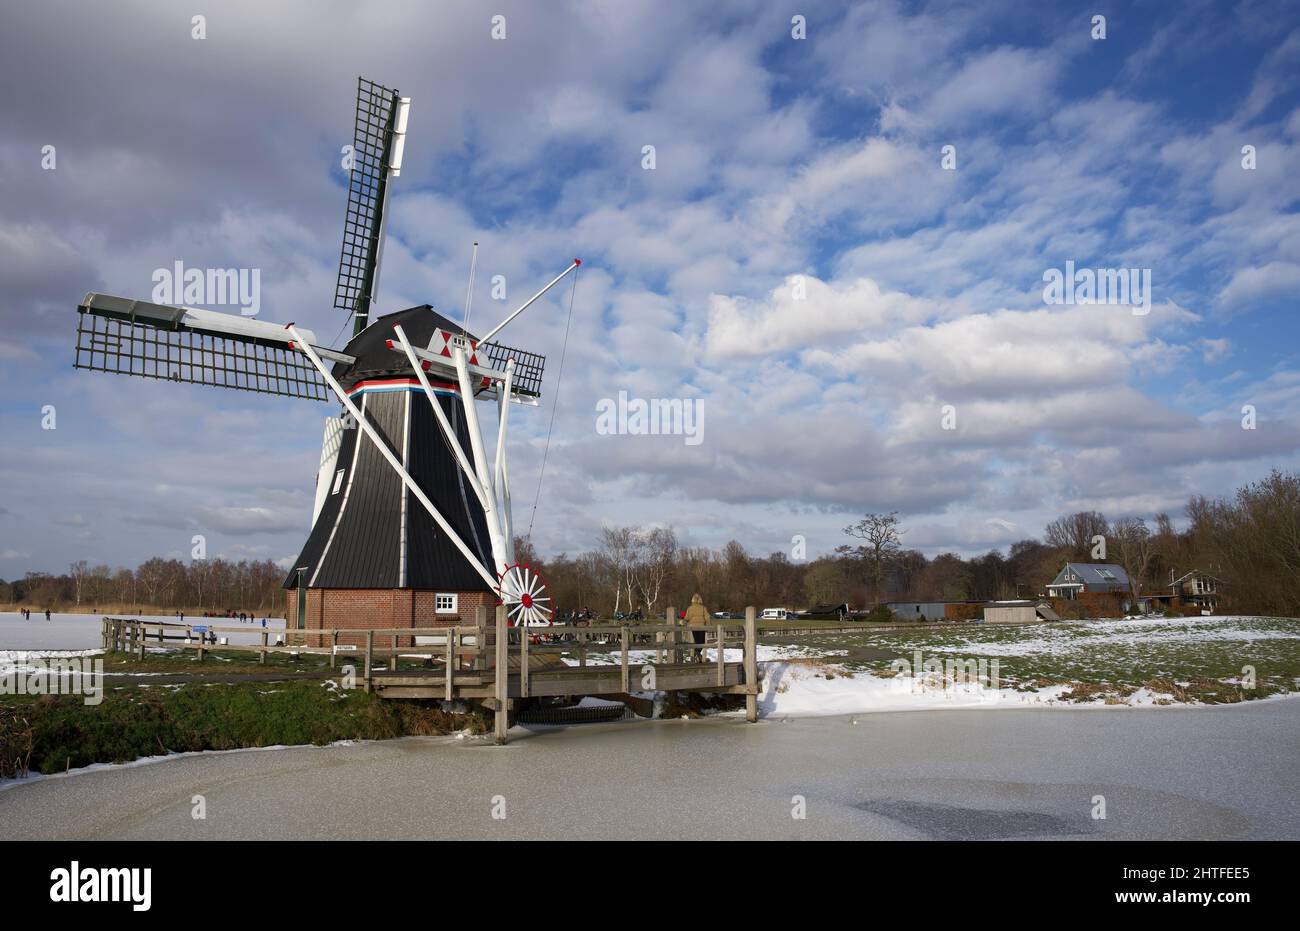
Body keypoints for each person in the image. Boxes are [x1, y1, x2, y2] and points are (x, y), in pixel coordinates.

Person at [684, 593, 709, 662]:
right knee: (702, 642)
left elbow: (687, 617)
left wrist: (683, 622)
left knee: (697, 641)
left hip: (693, 627)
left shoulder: (690, 608)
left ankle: (697, 654)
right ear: (700, 600)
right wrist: (708, 626)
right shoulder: (703, 608)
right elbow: (707, 617)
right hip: (702, 627)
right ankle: (697, 653)